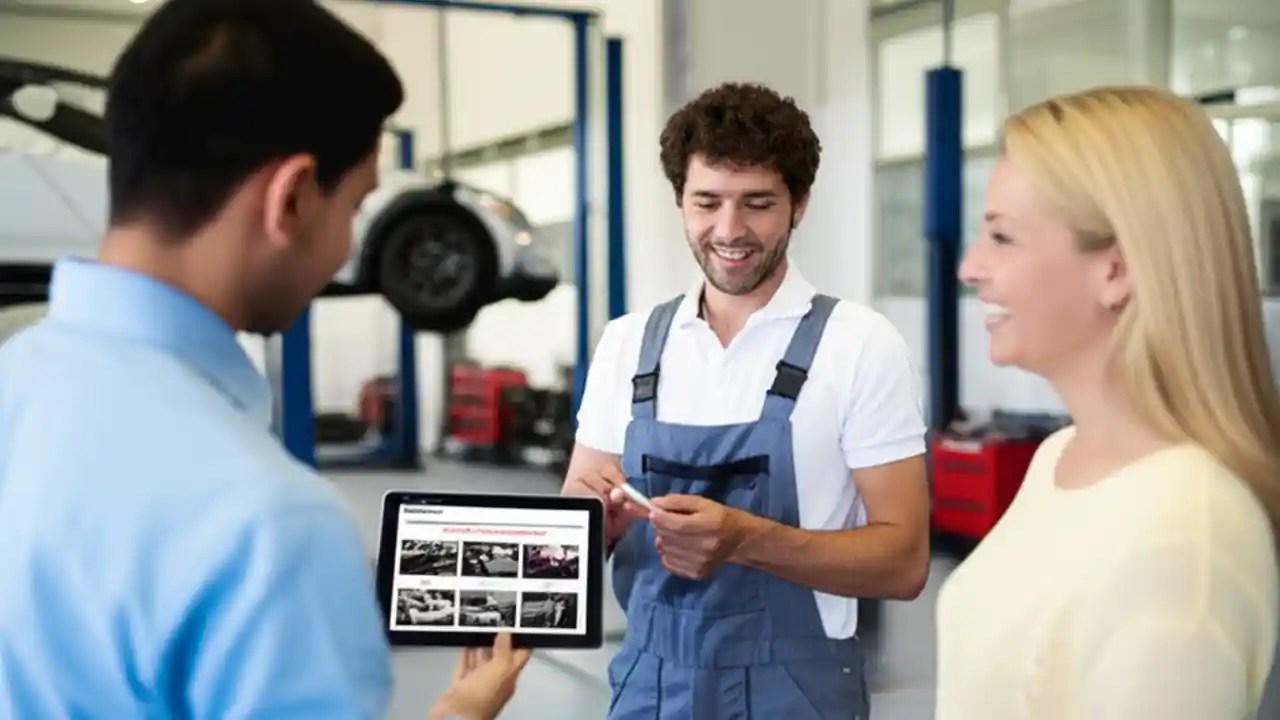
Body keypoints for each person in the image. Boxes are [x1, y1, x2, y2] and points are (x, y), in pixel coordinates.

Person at [0, 1, 530, 718]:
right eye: (354, 206)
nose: (346, 248)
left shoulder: (16, 386)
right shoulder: (270, 529)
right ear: (291, 198)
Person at [562, 82, 932, 718]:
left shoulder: (860, 345)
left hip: (797, 693)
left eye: (757, 203)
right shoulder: (626, 344)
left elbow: (903, 564)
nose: (729, 231)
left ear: (799, 205)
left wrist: (744, 539)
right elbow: (575, 521)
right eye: (707, 202)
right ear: (680, 201)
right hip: (651, 689)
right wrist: (599, 524)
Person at [937, 85, 1280, 718]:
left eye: (1002, 238)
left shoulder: (1184, 540)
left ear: (1116, 269)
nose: (970, 268)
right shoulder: (1061, 458)